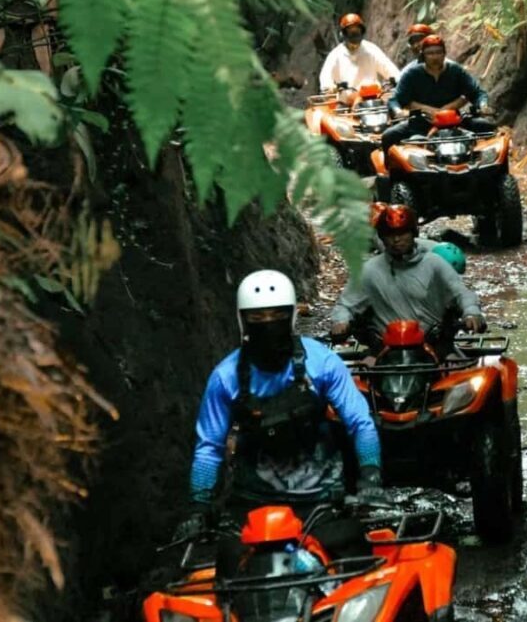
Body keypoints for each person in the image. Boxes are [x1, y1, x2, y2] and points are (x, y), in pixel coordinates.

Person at [176, 270, 383, 538]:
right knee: (231, 571)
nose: (268, 324)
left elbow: (360, 422)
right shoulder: (225, 377)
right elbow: (209, 448)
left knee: (354, 565)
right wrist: (199, 506)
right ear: (243, 320)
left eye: (277, 316)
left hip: (324, 503)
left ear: (292, 317)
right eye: (257, 318)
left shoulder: (322, 363)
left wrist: (370, 475)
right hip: (252, 508)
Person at [330, 205, 485, 349]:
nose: (396, 240)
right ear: (382, 238)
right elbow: (345, 305)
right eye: (390, 235)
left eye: (402, 233)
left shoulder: (435, 264)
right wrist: (341, 321)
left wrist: (471, 313)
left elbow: (461, 293)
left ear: (413, 234)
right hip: (385, 352)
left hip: (433, 347)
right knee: (354, 376)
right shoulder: (369, 270)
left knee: (463, 376)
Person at [383, 34, 496, 153]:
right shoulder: (412, 74)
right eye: (430, 53)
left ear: (444, 54)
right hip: (420, 124)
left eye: (438, 52)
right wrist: (398, 111)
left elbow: (477, 92)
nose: (435, 57)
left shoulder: (455, 70)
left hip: (454, 122)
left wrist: (483, 106)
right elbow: (395, 100)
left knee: (487, 126)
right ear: (423, 55)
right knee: (388, 136)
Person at [319, 13, 400, 93]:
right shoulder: (335, 55)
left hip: (372, 97)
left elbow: (389, 68)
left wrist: (397, 79)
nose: (354, 34)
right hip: (347, 100)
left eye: (357, 31)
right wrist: (330, 87)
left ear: (362, 32)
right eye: (350, 31)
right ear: (343, 34)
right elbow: (325, 78)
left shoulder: (371, 49)